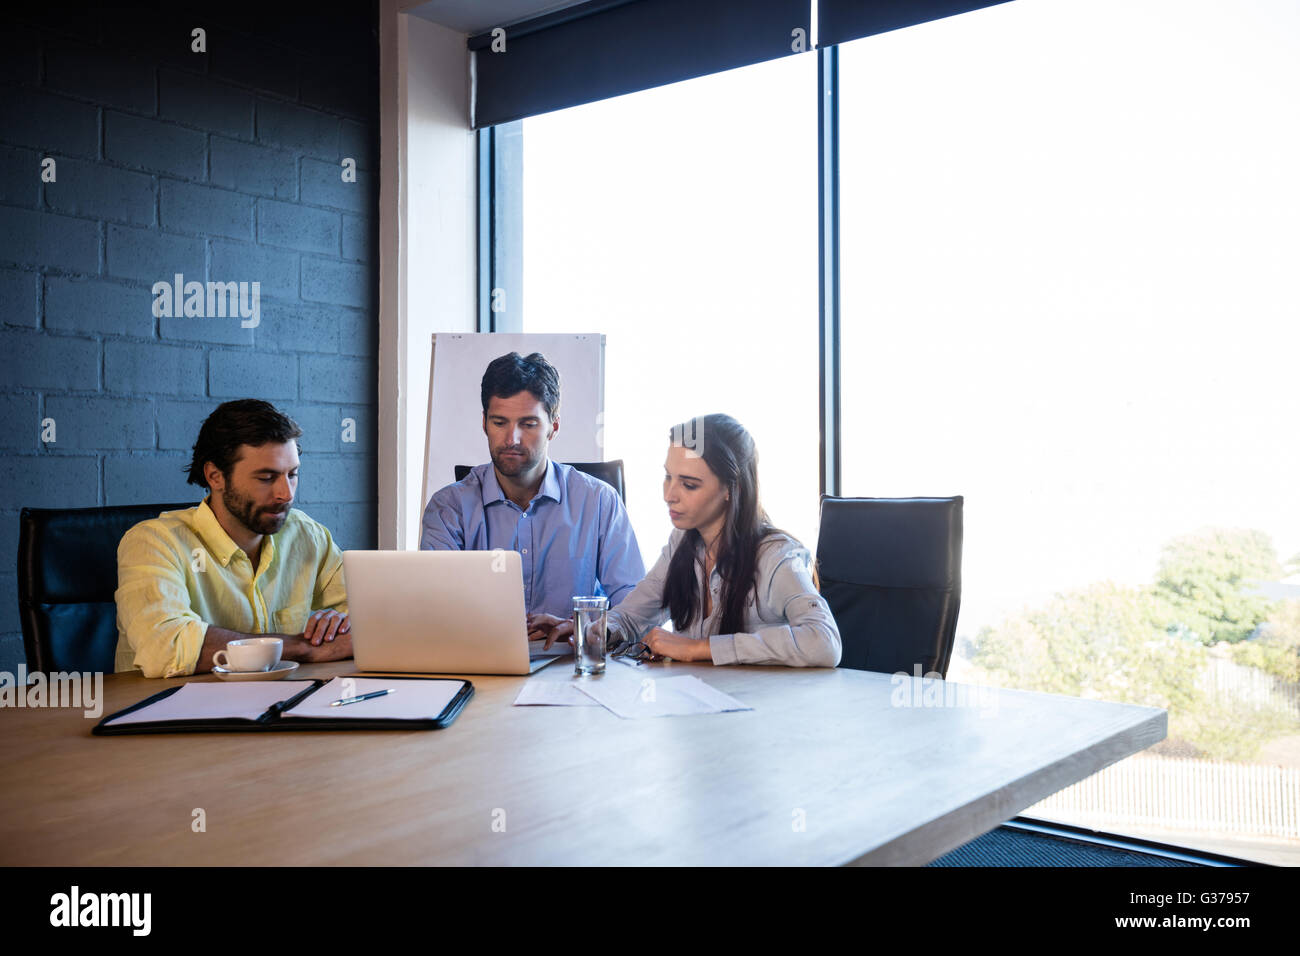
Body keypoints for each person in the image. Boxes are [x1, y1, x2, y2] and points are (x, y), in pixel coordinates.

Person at [115, 400, 353, 678]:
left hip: (280, 706)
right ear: (215, 476)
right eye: (266, 477)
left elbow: (374, 621)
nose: (286, 494)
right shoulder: (153, 543)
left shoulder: (307, 536)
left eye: (292, 474)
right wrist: (302, 647)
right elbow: (167, 645)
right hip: (171, 712)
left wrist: (347, 624)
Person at [420, 351, 644, 645]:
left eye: (528, 424)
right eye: (500, 423)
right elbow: (434, 612)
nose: (511, 439)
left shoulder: (599, 502)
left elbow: (638, 610)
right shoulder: (448, 508)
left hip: (571, 668)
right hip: (481, 667)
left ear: (554, 426)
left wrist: (582, 628)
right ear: (484, 422)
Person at [606, 413, 841, 667]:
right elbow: (631, 617)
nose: (669, 495)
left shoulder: (777, 557)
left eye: (689, 484)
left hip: (763, 703)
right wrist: (593, 630)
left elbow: (824, 642)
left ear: (732, 489)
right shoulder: (682, 542)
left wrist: (700, 648)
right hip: (700, 699)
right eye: (668, 477)